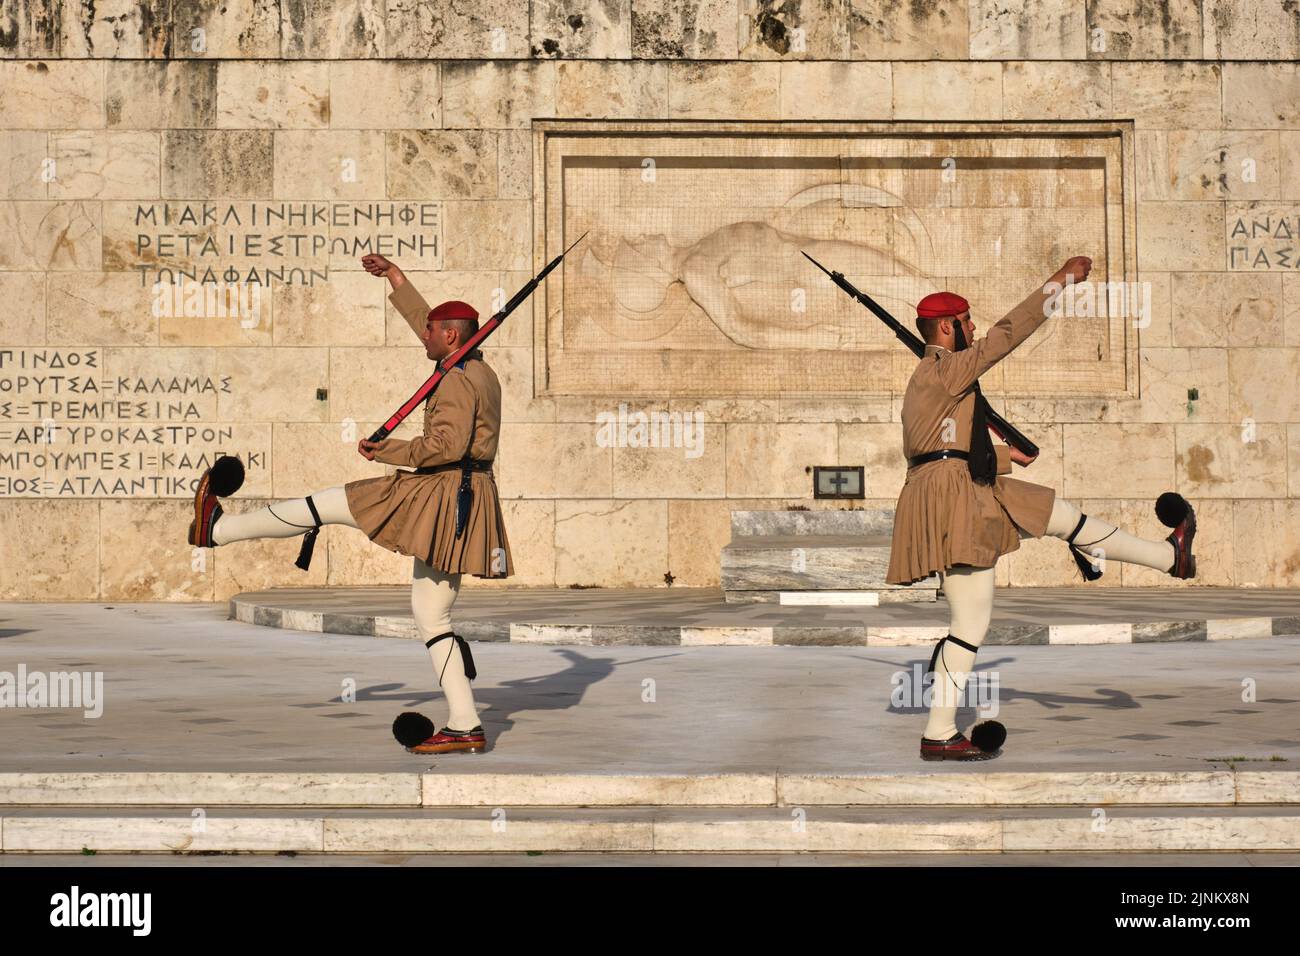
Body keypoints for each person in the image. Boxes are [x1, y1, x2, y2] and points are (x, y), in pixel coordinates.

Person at [188, 254, 513, 755]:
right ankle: (465, 723)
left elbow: (445, 446)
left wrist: (390, 451)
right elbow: (434, 329)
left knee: (331, 502)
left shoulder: (454, 380)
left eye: (431, 332)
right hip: (461, 494)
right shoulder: (475, 368)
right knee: (432, 614)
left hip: (442, 491)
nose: (423, 337)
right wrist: (399, 283)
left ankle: (217, 530)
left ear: (450, 336)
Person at [884, 257, 1196, 761]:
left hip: (958, 487)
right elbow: (1008, 334)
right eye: (967, 323)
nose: (974, 329)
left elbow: (939, 447)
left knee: (1057, 514)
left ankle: (1171, 556)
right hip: (958, 496)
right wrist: (1060, 283)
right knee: (969, 622)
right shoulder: (945, 369)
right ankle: (939, 733)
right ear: (947, 326)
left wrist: (1008, 455)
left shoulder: (928, 379)